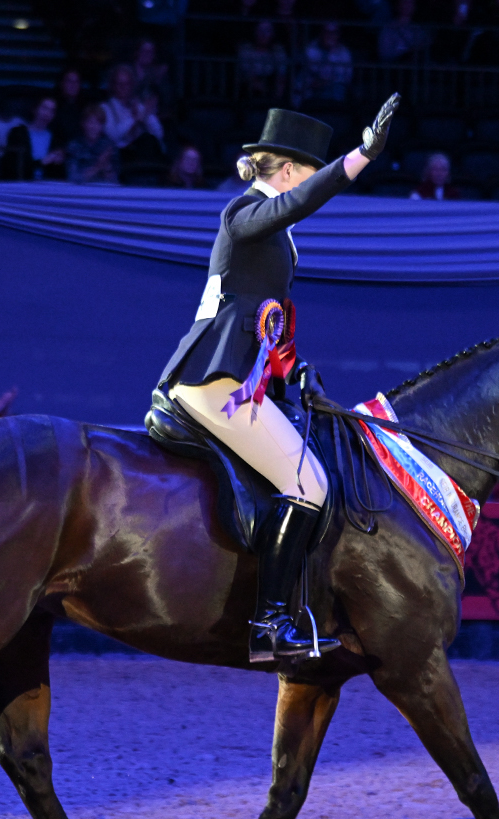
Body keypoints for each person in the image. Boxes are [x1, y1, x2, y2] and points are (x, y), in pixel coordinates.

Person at [157, 95, 401, 662]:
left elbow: (268, 328)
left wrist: (293, 375)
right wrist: (359, 157)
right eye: (306, 177)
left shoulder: (271, 232)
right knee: (310, 485)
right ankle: (269, 625)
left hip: (242, 374)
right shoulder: (243, 215)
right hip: (213, 377)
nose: (306, 190)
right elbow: (297, 206)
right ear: (289, 172)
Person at [101, 63, 164, 158]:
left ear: (132, 85)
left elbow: (159, 134)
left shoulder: (138, 105)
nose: (123, 87)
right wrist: (134, 119)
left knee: (149, 141)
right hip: (119, 156)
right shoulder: (105, 108)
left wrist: (147, 114)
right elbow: (112, 136)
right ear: (113, 85)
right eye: (119, 83)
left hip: (144, 154)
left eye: (127, 83)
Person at [5, 95, 65, 179]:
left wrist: (59, 162)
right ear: (35, 109)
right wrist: (42, 162)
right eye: (44, 108)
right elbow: (12, 166)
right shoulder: (18, 133)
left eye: (52, 111)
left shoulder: (56, 138)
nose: (47, 114)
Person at [66, 104, 119, 183]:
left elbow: (115, 181)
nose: (93, 127)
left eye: (98, 123)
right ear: (83, 124)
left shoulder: (110, 147)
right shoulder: (74, 146)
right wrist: (97, 166)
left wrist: (106, 166)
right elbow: (72, 178)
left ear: (102, 126)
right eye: (90, 122)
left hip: (104, 191)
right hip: (80, 191)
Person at [302, 21, 353, 104]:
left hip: (336, 89)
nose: (330, 36)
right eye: (327, 32)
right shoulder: (311, 49)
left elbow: (346, 77)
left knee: (338, 89)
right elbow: (310, 74)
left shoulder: (344, 52)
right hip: (314, 90)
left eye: (333, 33)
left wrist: (328, 82)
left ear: (338, 35)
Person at [238, 21, 288, 101]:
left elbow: (282, 74)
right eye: (260, 30)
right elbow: (246, 73)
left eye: (267, 30)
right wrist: (263, 88)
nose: (263, 34)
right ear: (255, 31)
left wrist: (278, 97)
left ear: (273, 33)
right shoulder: (246, 48)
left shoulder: (278, 50)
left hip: (271, 84)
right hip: (249, 87)